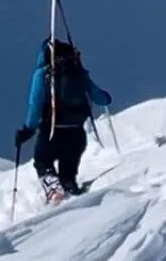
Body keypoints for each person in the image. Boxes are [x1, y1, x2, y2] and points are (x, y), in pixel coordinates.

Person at [15, 38, 111, 199]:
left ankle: (53, 189)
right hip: (76, 132)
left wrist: (27, 129)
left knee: (43, 161)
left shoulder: (43, 74)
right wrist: (106, 97)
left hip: (52, 129)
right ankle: (70, 188)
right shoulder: (78, 73)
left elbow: (35, 103)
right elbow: (102, 99)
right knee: (68, 172)